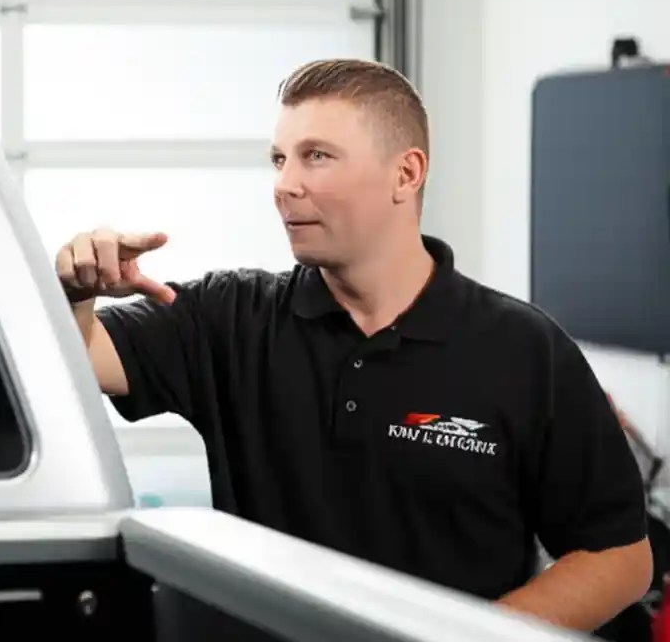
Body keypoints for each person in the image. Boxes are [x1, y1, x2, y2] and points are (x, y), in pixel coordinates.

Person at [56, 59, 652, 633]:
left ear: (406, 173)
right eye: (279, 159)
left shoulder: (525, 350)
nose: (284, 185)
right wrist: (74, 292)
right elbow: (77, 356)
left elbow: (619, 557)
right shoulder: (228, 319)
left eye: (316, 157)